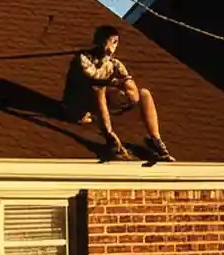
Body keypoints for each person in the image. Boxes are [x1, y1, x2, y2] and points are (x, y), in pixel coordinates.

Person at [62, 25, 173, 161]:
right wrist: (114, 80)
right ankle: (111, 139)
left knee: (144, 93)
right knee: (99, 89)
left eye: (115, 43)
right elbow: (95, 77)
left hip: (94, 109)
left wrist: (123, 83)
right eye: (109, 42)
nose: (112, 47)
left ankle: (156, 140)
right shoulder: (83, 58)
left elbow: (132, 90)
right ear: (99, 41)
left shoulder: (114, 64)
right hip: (75, 109)